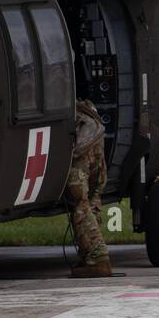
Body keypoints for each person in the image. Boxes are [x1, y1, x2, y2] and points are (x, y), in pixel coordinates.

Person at [66, 95, 111, 278]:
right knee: (91, 206)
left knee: (81, 208)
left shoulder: (76, 114)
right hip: (96, 163)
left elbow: (78, 151)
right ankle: (90, 257)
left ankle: (98, 259)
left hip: (83, 162)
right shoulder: (88, 111)